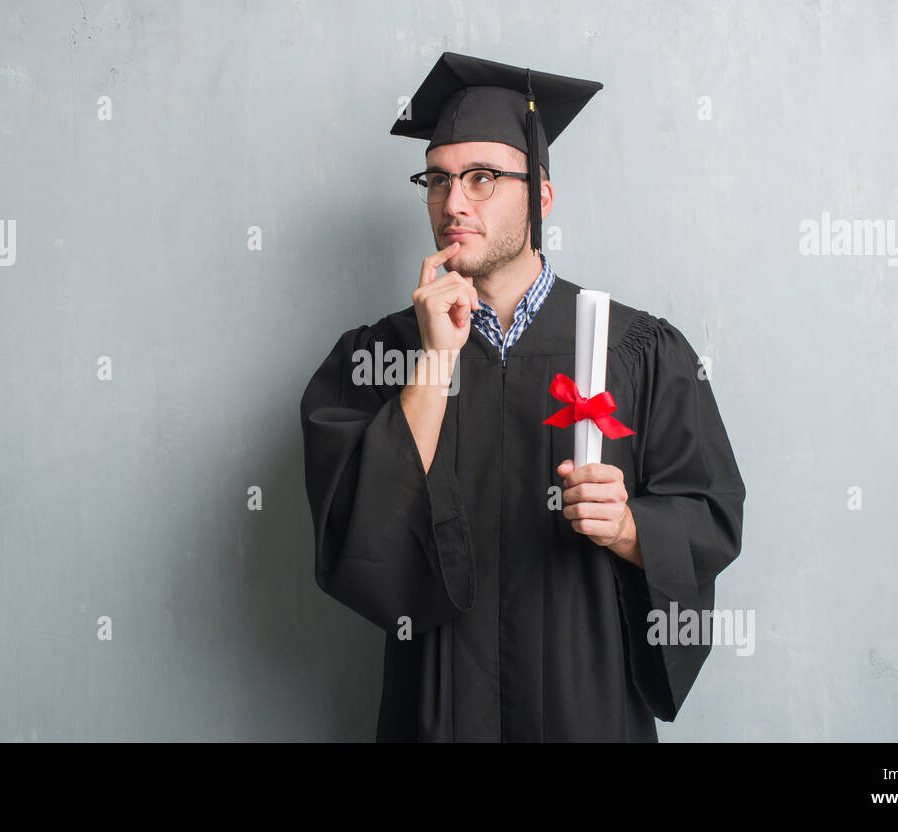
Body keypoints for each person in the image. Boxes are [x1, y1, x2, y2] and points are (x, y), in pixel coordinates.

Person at [299, 52, 747, 741]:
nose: (454, 203)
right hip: (436, 716)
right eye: (438, 180)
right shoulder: (380, 356)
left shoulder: (640, 352)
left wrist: (632, 530)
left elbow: (710, 515)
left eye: (483, 179)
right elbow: (357, 538)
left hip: (585, 709)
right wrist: (435, 361)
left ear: (541, 197)